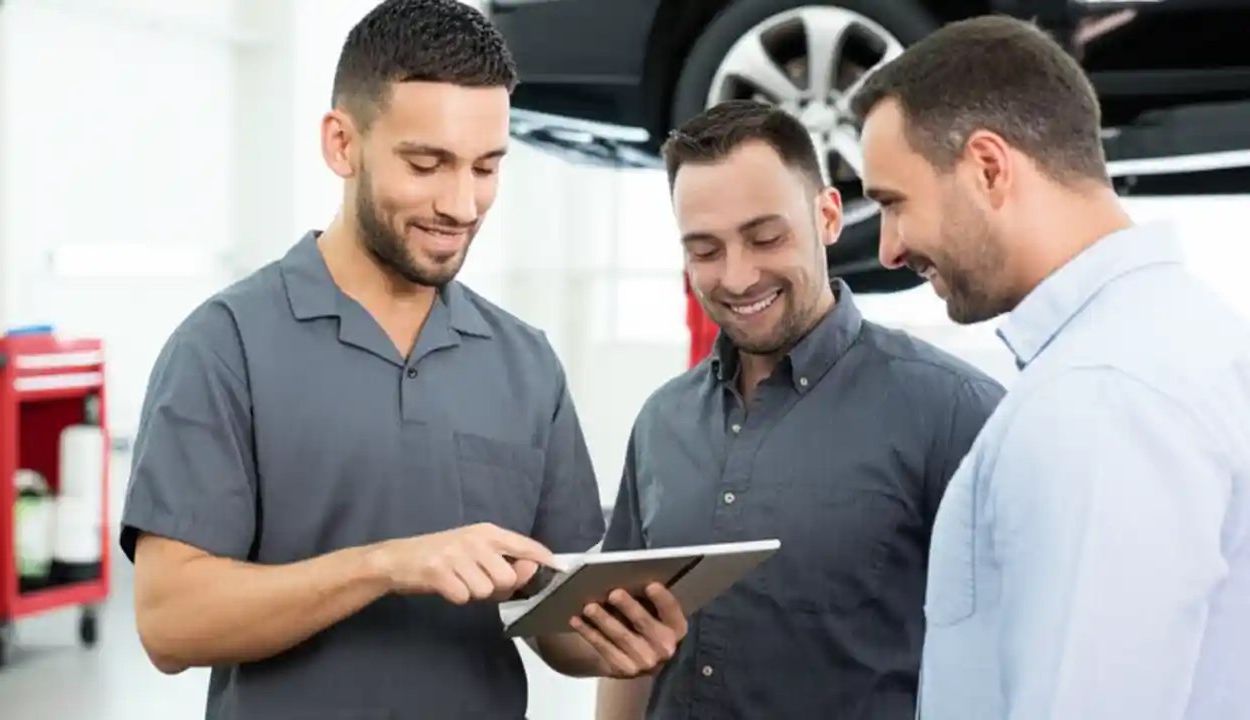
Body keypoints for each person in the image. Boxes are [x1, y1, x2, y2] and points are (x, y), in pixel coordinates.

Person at [120, 1, 687, 717]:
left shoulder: (526, 364)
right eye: (427, 163)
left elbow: (556, 626)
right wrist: (386, 565)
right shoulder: (224, 345)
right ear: (341, 145)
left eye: (486, 167)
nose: (461, 203)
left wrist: (621, 634)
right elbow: (170, 624)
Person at [854, 15, 1250, 720]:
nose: (886, 249)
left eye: (892, 203)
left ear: (988, 168)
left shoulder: (1097, 396)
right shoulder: (1182, 339)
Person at [595, 100, 1005, 720]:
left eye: (766, 238)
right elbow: (622, 642)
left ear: (829, 216)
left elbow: (1017, 654)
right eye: (704, 250)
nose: (737, 277)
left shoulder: (954, 412)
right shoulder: (661, 422)